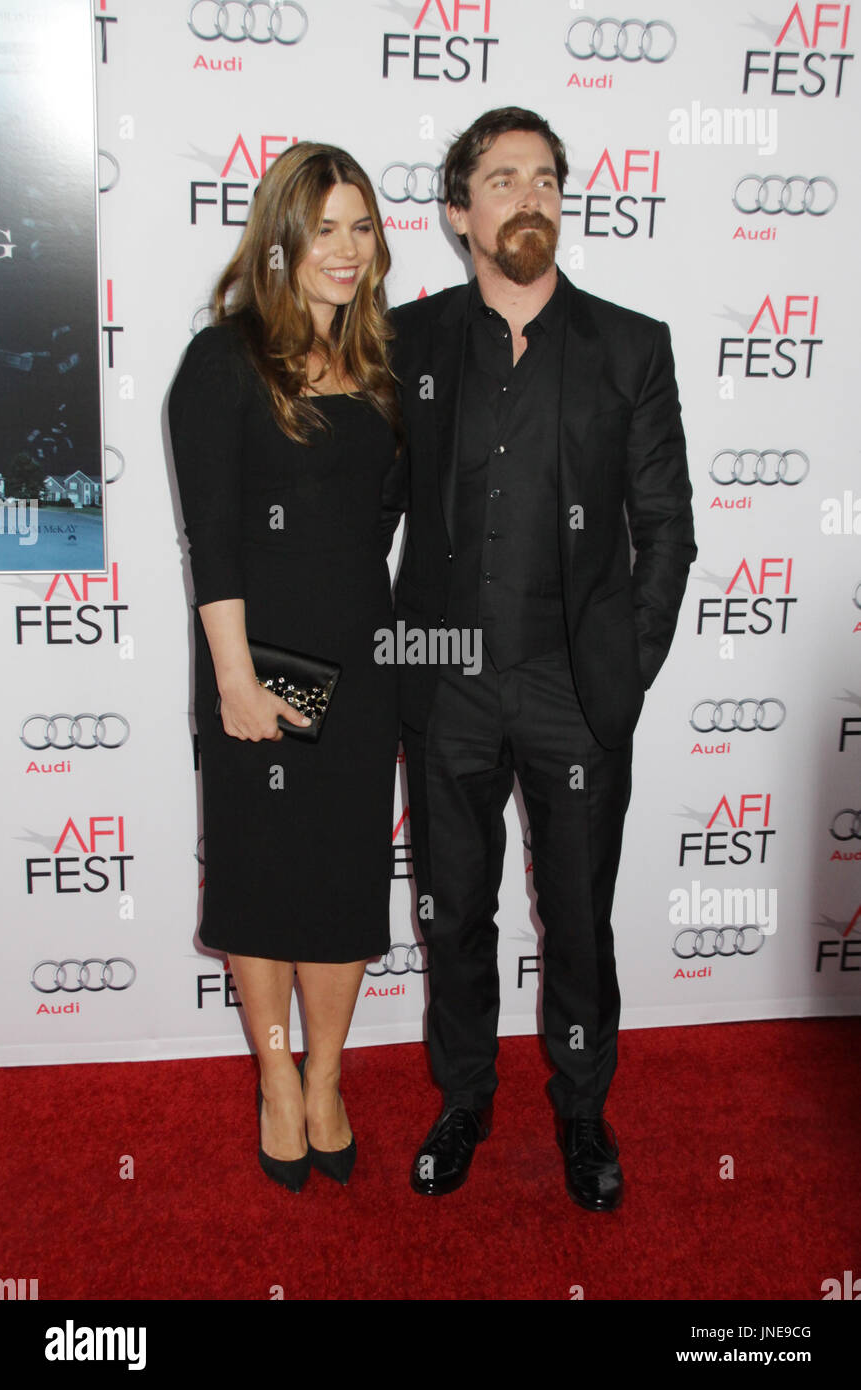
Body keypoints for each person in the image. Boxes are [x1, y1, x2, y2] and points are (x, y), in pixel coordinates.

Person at [389, 108, 696, 1210]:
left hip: (574, 697)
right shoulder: (408, 343)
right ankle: (463, 1096)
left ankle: (579, 1109)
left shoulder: (629, 345)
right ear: (458, 210)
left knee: (576, 918)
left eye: (545, 177)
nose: (529, 196)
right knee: (452, 910)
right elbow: (363, 509)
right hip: (447, 690)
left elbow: (665, 527)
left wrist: (621, 666)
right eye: (501, 177)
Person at [168, 143, 405, 1192]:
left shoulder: (386, 370)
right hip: (256, 665)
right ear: (279, 236)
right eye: (323, 227)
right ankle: (275, 1083)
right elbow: (211, 539)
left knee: (345, 884)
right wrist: (232, 679)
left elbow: (380, 530)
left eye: (360, 226)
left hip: (358, 665)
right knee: (263, 886)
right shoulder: (223, 362)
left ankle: (324, 1081)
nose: (344, 249)